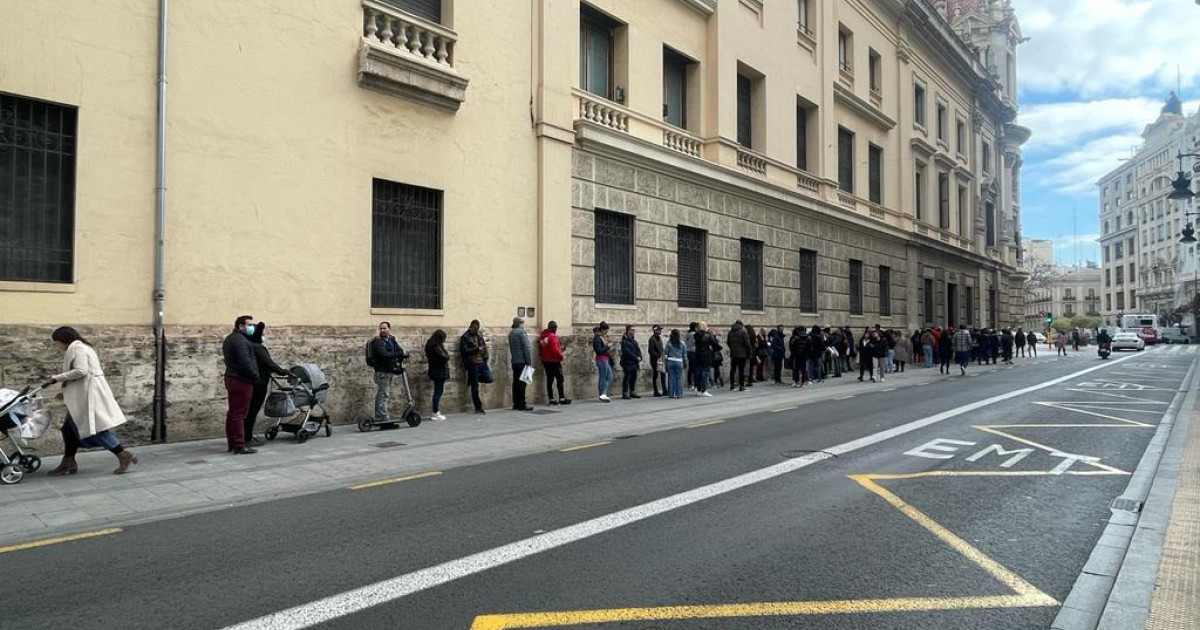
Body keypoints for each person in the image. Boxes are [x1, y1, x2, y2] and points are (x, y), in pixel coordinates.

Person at [46, 327, 137, 475]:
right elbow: (82, 375)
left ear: (63, 340)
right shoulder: (83, 347)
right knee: (69, 429)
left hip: (89, 396)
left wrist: (57, 377)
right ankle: (68, 461)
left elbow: (81, 371)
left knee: (97, 429)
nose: (57, 346)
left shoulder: (77, 348)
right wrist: (65, 392)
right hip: (85, 394)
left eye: (56, 342)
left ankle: (122, 454)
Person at [245, 322, 291, 446]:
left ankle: (245, 436)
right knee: (252, 411)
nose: (264, 337)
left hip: (250, 382)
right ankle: (247, 437)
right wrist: (283, 372)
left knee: (248, 410)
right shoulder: (258, 348)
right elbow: (269, 364)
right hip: (259, 383)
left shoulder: (247, 345)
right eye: (263, 334)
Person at [222, 315, 260, 454]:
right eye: (249, 325)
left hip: (231, 377)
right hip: (241, 380)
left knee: (232, 412)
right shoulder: (241, 341)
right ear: (241, 326)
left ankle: (232, 443)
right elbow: (245, 362)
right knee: (239, 413)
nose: (252, 327)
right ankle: (239, 444)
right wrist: (254, 376)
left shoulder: (230, 338)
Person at [371, 322, 407, 425]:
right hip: (382, 372)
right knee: (383, 394)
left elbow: (399, 349)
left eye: (384, 328)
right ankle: (382, 418)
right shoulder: (377, 342)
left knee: (384, 394)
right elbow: (384, 355)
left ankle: (382, 416)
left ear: (389, 329)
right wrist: (399, 354)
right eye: (381, 328)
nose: (382, 330)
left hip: (389, 371)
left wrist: (400, 354)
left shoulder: (391, 339)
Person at [460, 320, 489, 414]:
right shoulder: (465, 337)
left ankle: (474, 378)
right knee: (475, 387)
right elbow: (465, 351)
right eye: (475, 329)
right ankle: (478, 407)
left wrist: (485, 355)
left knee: (489, 378)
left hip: (481, 362)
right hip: (472, 363)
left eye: (477, 329)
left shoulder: (479, 337)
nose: (476, 331)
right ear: (471, 327)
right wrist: (476, 349)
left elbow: (484, 347)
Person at [538, 321, 570, 406]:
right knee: (560, 379)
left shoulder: (542, 336)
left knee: (549, 379)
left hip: (545, 360)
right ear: (553, 328)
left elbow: (541, 348)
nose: (556, 330)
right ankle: (562, 398)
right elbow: (555, 350)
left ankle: (551, 398)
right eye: (555, 328)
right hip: (554, 361)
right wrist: (561, 356)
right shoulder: (553, 336)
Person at [508, 317, 534, 411]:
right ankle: (522, 404)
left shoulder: (511, 333)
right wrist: (529, 361)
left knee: (516, 383)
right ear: (519, 323)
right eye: (523, 322)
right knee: (522, 383)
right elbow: (526, 348)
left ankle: (516, 403)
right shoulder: (521, 332)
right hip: (522, 361)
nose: (524, 324)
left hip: (515, 361)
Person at [425, 330, 450, 421]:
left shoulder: (430, 344)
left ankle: (435, 412)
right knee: (438, 391)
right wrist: (447, 354)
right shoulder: (436, 346)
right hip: (439, 371)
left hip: (434, 370)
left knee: (437, 390)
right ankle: (435, 412)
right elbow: (444, 357)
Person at [727, 320, 751, 391]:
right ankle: (741, 386)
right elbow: (747, 343)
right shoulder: (743, 332)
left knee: (733, 369)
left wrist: (732, 348)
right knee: (741, 370)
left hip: (733, 353)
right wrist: (749, 352)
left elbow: (728, 342)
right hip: (742, 354)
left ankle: (732, 385)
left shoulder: (730, 332)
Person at [593, 322, 614, 402]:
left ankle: (603, 393)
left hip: (605, 358)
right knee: (603, 376)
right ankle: (602, 394)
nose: (606, 333)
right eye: (606, 331)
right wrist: (607, 347)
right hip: (601, 359)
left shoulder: (602, 337)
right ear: (602, 330)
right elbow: (598, 351)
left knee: (609, 376)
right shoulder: (597, 338)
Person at [620, 325, 642, 399]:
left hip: (634, 362)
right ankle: (625, 393)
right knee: (627, 377)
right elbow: (626, 351)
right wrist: (636, 357)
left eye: (634, 330)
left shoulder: (633, 340)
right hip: (627, 362)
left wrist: (640, 356)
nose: (633, 331)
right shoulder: (624, 341)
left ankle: (632, 391)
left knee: (634, 377)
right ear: (628, 330)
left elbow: (638, 349)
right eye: (632, 330)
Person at [694, 322, 715, 397]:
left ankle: (699, 390)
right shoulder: (708, 336)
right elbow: (715, 344)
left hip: (698, 355)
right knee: (705, 373)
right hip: (706, 356)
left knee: (699, 373)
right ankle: (704, 390)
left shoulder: (696, 335)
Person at [665, 329, 687, 398]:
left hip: (670, 361)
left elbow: (666, 354)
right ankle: (679, 394)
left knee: (671, 378)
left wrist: (665, 362)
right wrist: (685, 362)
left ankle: (671, 394)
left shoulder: (669, 343)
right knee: (679, 378)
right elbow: (684, 354)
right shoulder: (682, 343)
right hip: (679, 361)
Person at [649, 325, 666, 397]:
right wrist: (657, 356)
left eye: (660, 330)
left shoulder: (659, 338)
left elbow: (661, 348)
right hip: (655, 360)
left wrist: (662, 355)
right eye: (658, 330)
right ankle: (655, 391)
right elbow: (650, 350)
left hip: (661, 359)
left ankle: (664, 389)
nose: (660, 331)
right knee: (655, 375)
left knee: (663, 374)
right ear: (655, 330)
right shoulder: (652, 339)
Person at [685, 322, 698, 390]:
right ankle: (695, 384)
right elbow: (695, 343)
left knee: (690, 368)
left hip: (689, 352)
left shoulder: (688, 334)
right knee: (695, 369)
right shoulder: (694, 334)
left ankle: (690, 384)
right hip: (694, 352)